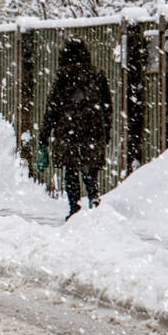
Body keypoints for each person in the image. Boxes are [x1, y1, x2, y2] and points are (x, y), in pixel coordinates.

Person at [40, 39, 113, 219]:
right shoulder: (97, 75)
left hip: (68, 131)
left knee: (71, 171)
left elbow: (52, 108)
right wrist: (106, 131)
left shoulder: (63, 76)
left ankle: (74, 209)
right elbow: (106, 107)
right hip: (92, 132)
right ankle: (94, 204)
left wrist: (44, 136)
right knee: (90, 171)